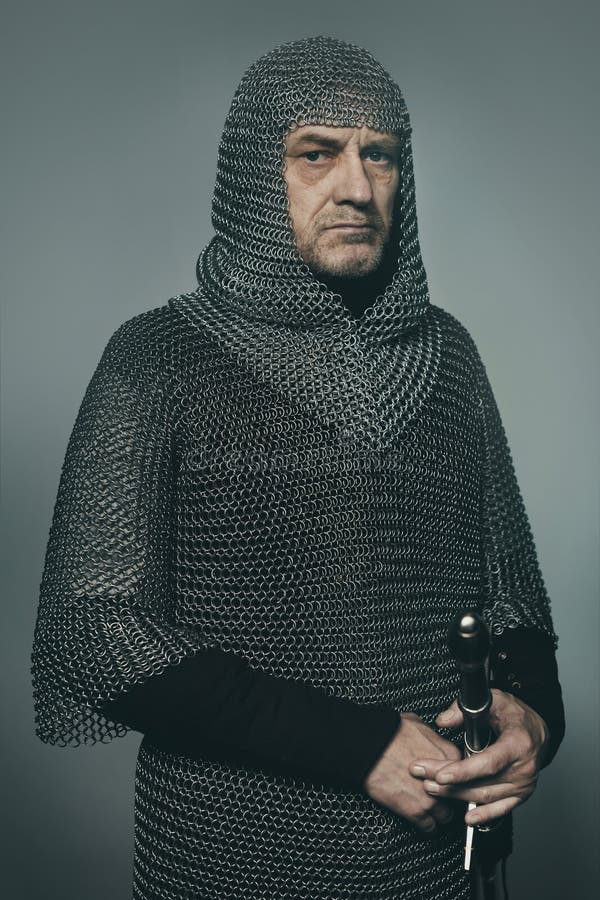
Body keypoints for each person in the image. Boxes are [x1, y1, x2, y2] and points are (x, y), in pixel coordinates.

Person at [31, 36, 564, 900]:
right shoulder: (159, 360)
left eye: (380, 156)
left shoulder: (446, 357)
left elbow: (511, 603)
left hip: (438, 866)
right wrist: (361, 745)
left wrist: (533, 715)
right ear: (258, 173)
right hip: (236, 858)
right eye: (317, 153)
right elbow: (94, 634)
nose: (357, 186)